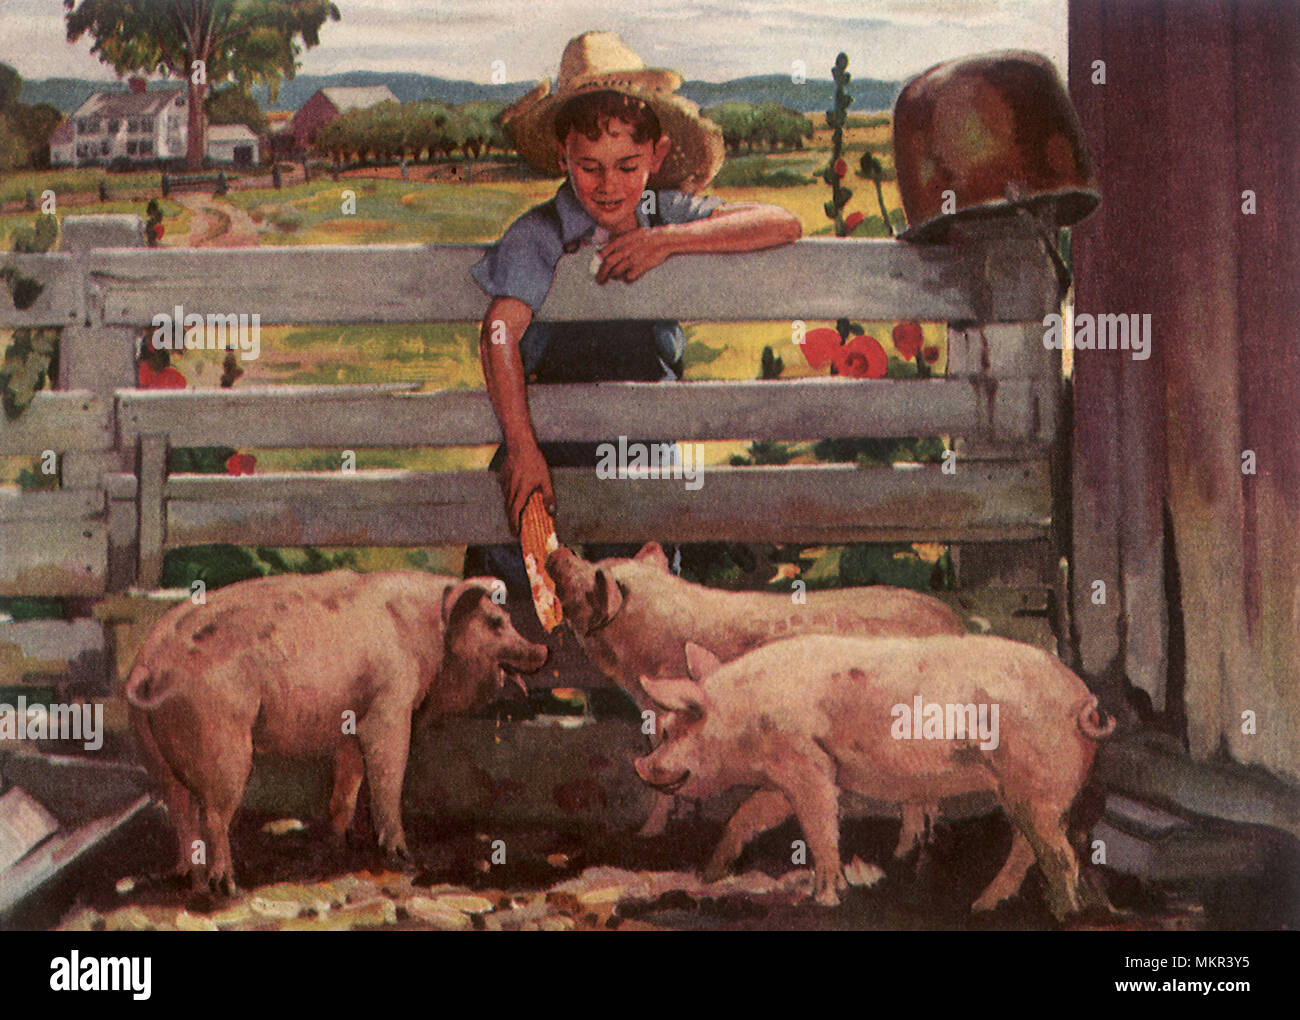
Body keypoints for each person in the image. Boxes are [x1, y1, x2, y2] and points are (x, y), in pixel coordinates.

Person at [464, 31, 801, 644]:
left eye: (626, 166)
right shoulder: (540, 233)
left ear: (656, 152)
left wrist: (669, 241)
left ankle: (630, 716)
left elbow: (783, 220)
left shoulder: (667, 213)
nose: (609, 185)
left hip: (642, 445)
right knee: (518, 588)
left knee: (638, 608)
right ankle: (520, 705)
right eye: (589, 166)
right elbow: (498, 332)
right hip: (553, 444)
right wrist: (521, 445)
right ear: (564, 155)